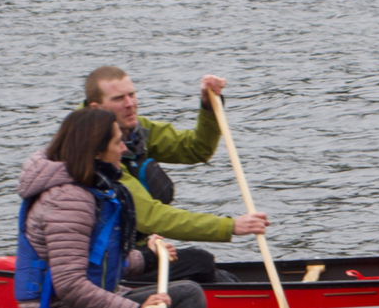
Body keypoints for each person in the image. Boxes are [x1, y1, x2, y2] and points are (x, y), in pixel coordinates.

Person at [15, 107, 208, 308]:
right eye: (117, 142)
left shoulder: (86, 189)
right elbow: (69, 284)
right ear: (97, 152)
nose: (124, 149)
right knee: (187, 296)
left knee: (193, 272)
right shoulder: (68, 200)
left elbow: (100, 261)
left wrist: (149, 257)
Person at [84, 66, 268, 283]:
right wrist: (231, 226)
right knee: (200, 261)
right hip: (104, 263)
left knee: (216, 274)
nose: (130, 103)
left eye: (131, 94)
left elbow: (196, 149)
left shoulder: (135, 130)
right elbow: (150, 217)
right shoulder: (92, 150)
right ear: (96, 107)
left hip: (138, 248)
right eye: (118, 99)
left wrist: (209, 108)